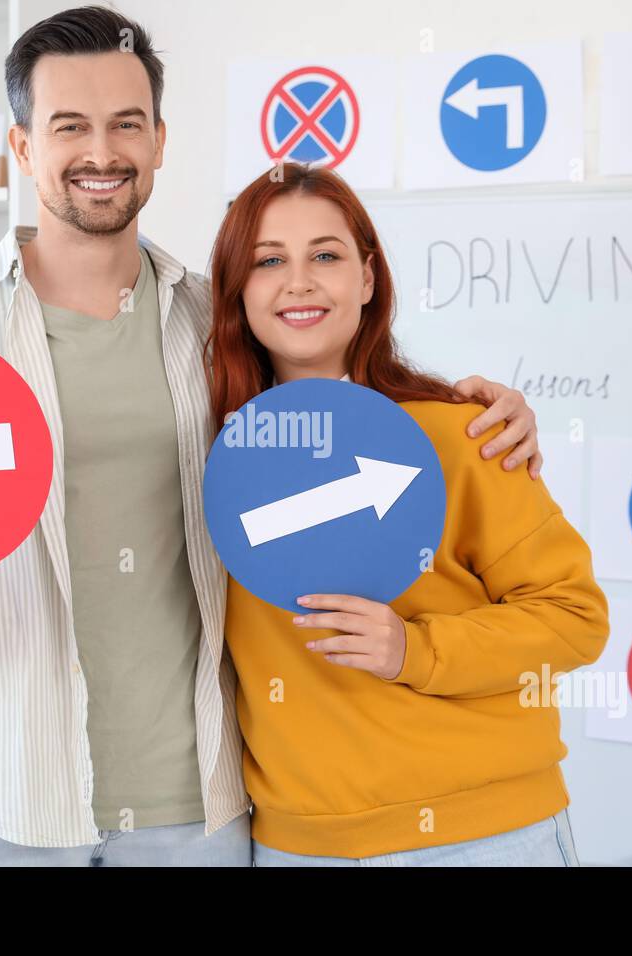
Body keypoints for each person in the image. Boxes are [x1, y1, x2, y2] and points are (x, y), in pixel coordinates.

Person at [0, 7, 542, 867]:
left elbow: (340, 399)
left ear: (158, 142)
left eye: (126, 124)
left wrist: (472, 405)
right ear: (25, 147)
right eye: (69, 126)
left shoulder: (220, 326)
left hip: (195, 804)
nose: (101, 152)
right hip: (1, 799)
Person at [206, 162, 610, 866]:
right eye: (269, 261)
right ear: (238, 290)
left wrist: (413, 651)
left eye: (325, 256)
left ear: (367, 279)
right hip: (299, 847)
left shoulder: (464, 436)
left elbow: (575, 618)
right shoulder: (212, 459)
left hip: (481, 837)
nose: (298, 281)